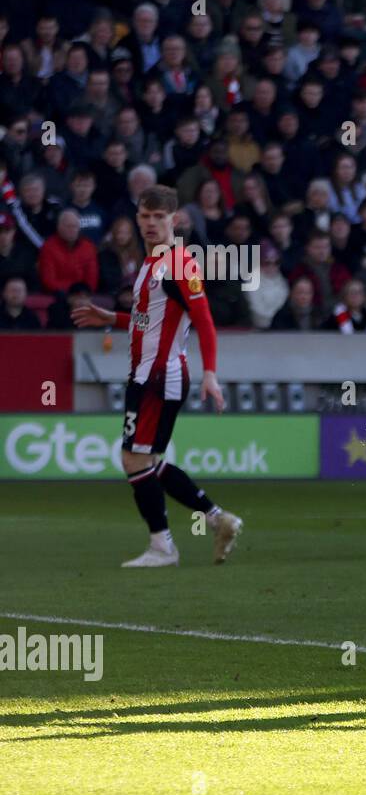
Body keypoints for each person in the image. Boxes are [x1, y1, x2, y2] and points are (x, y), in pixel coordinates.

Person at [70, 185, 242, 568]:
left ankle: (163, 546)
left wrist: (210, 373)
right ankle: (216, 519)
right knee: (143, 460)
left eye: (158, 217)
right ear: (136, 219)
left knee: (133, 459)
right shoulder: (149, 264)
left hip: (160, 377)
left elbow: (205, 322)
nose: (150, 224)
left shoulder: (180, 264)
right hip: (148, 375)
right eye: (145, 217)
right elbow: (152, 322)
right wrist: (112, 318)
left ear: (174, 220)